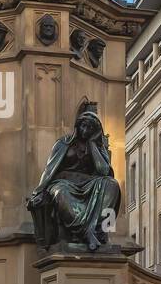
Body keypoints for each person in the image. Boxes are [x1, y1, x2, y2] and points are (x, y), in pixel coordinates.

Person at [27, 100, 122, 252]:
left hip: (89, 183)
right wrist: (38, 191)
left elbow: (104, 170)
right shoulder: (64, 143)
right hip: (63, 182)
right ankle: (87, 232)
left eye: (90, 128)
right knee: (60, 192)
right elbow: (49, 169)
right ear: (78, 126)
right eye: (83, 126)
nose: (85, 130)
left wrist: (93, 144)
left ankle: (98, 229)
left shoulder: (97, 147)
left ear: (94, 131)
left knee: (112, 184)